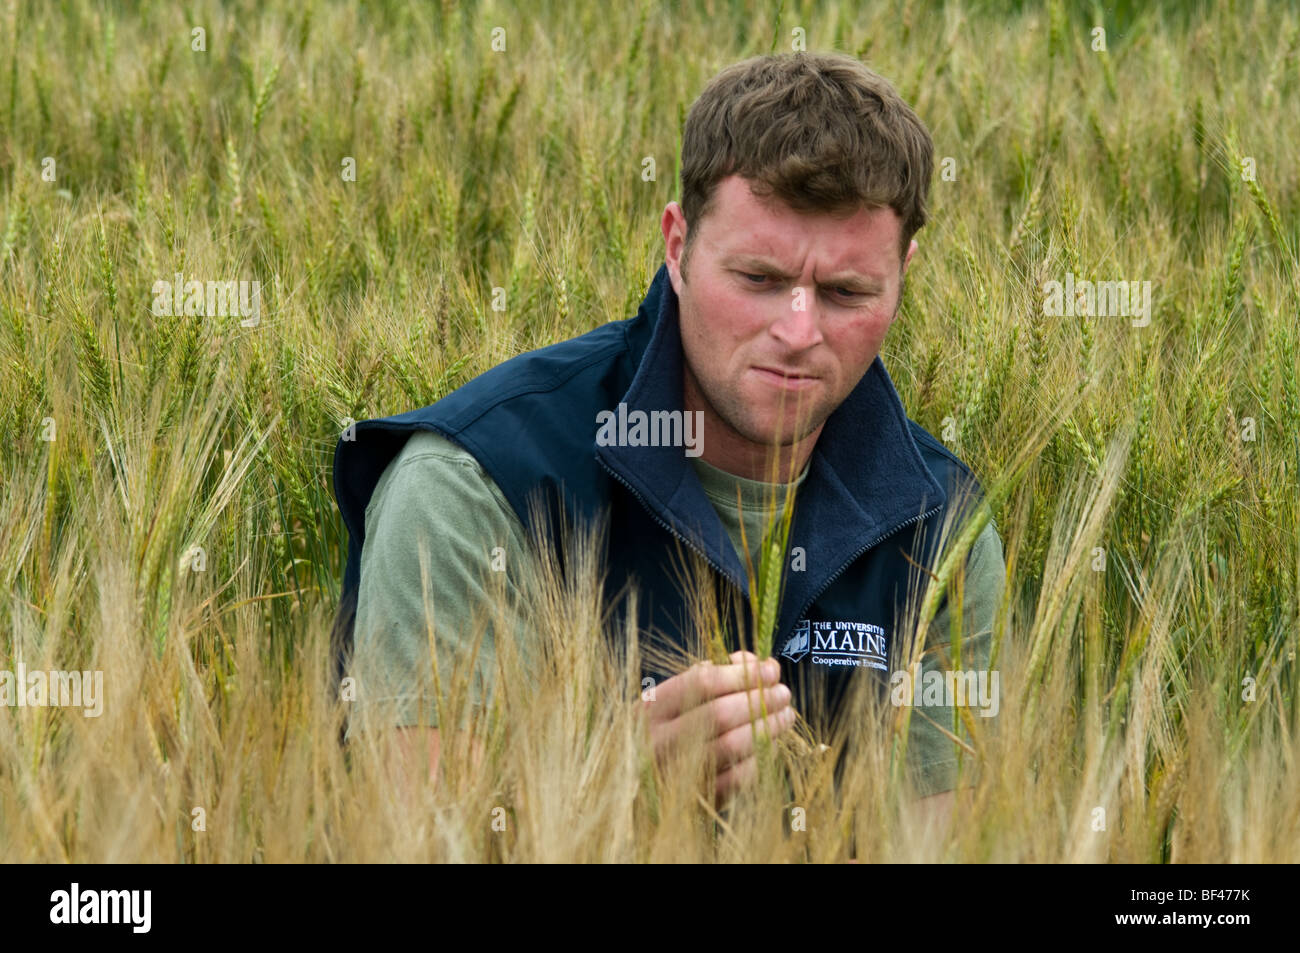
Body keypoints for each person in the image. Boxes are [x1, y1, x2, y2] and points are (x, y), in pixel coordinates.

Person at [331, 50, 1005, 816]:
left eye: (846, 291)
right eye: (758, 279)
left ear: (904, 275)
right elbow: (417, 837)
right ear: (677, 246)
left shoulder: (943, 525)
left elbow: (939, 838)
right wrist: (608, 781)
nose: (798, 330)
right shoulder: (472, 486)